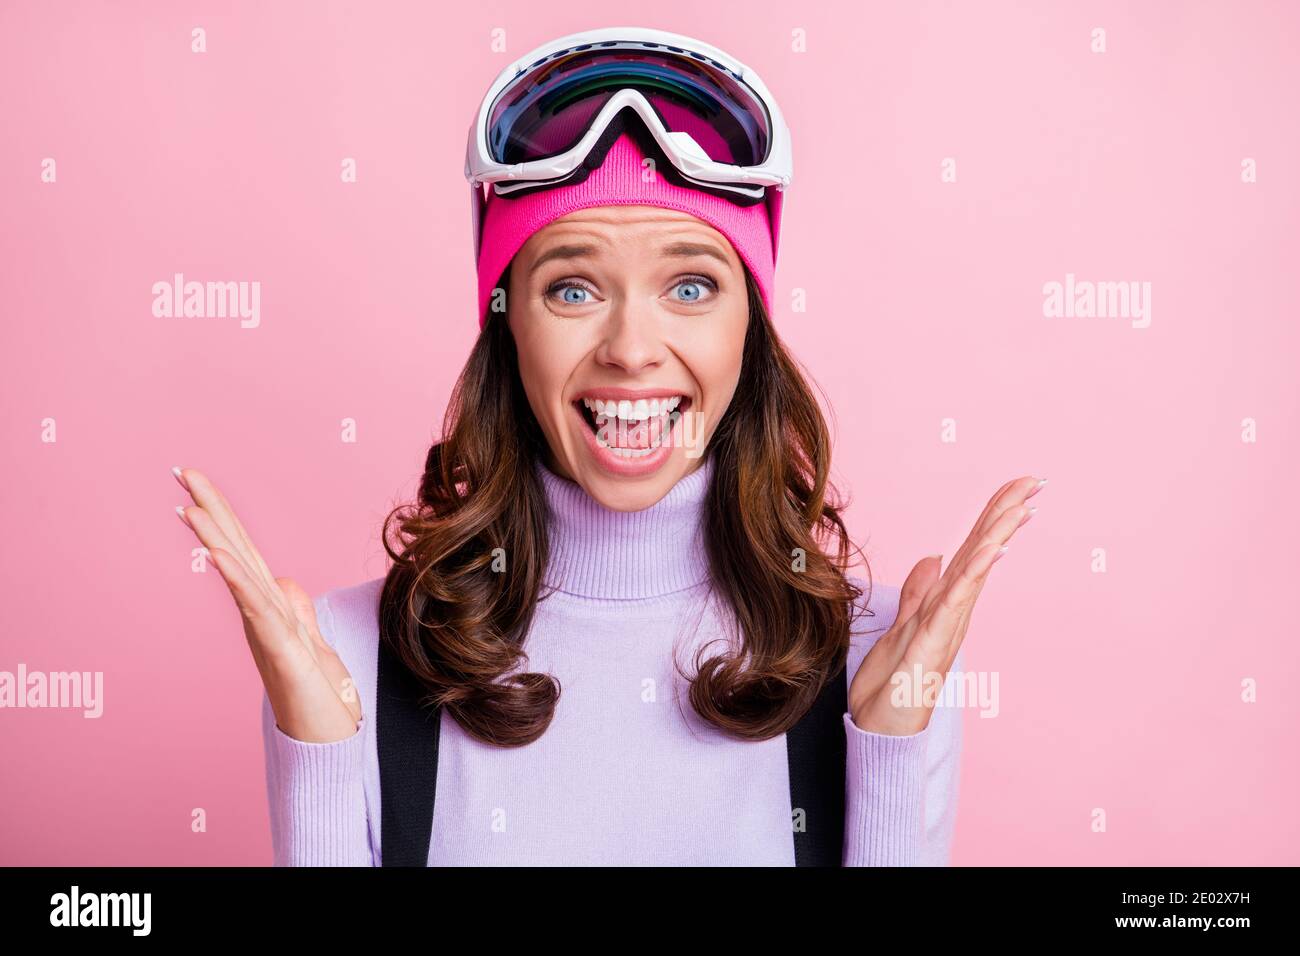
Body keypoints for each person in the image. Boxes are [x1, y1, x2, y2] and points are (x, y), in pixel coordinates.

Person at [172, 27, 1043, 866]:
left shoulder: (876, 654)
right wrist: (318, 766)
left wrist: (890, 752)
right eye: (573, 287)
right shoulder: (351, 657)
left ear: (752, 325)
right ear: (508, 325)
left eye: (692, 285)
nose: (632, 347)